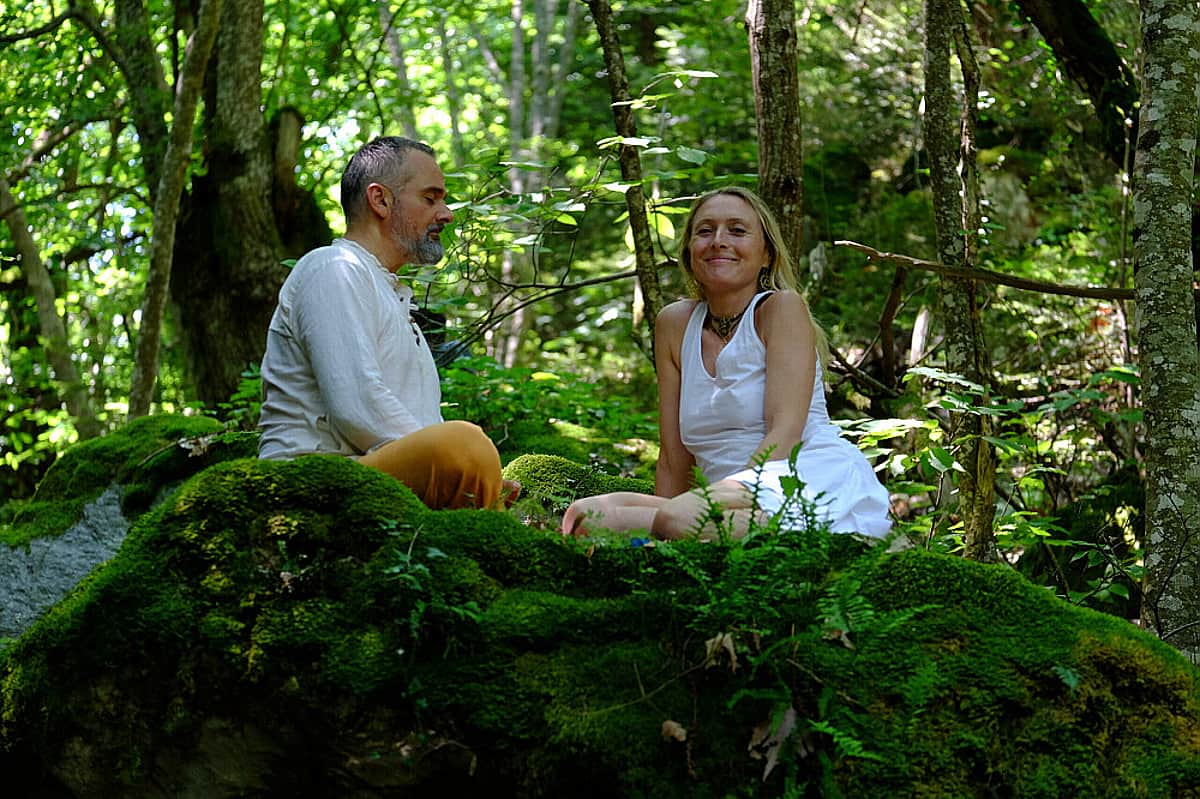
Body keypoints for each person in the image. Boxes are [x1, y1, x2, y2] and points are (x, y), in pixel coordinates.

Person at [561, 187, 890, 540]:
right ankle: (682, 526)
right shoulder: (674, 324)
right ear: (689, 252)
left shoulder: (781, 309)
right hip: (709, 504)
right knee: (587, 517)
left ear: (766, 254)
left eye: (737, 230)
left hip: (800, 484)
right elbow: (674, 457)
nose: (719, 241)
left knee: (679, 520)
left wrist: (689, 512)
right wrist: (661, 530)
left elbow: (785, 433)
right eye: (705, 231)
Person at [258, 136, 515, 510]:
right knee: (465, 445)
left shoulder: (384, 290)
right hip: (309, 484)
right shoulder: (332, 269)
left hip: (366, 476)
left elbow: (420, 428)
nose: (446, 214)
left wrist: (472, 470)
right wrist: (455, 459)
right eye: (431, 198)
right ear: (380, 200)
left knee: (467, 451)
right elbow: (357, 406)